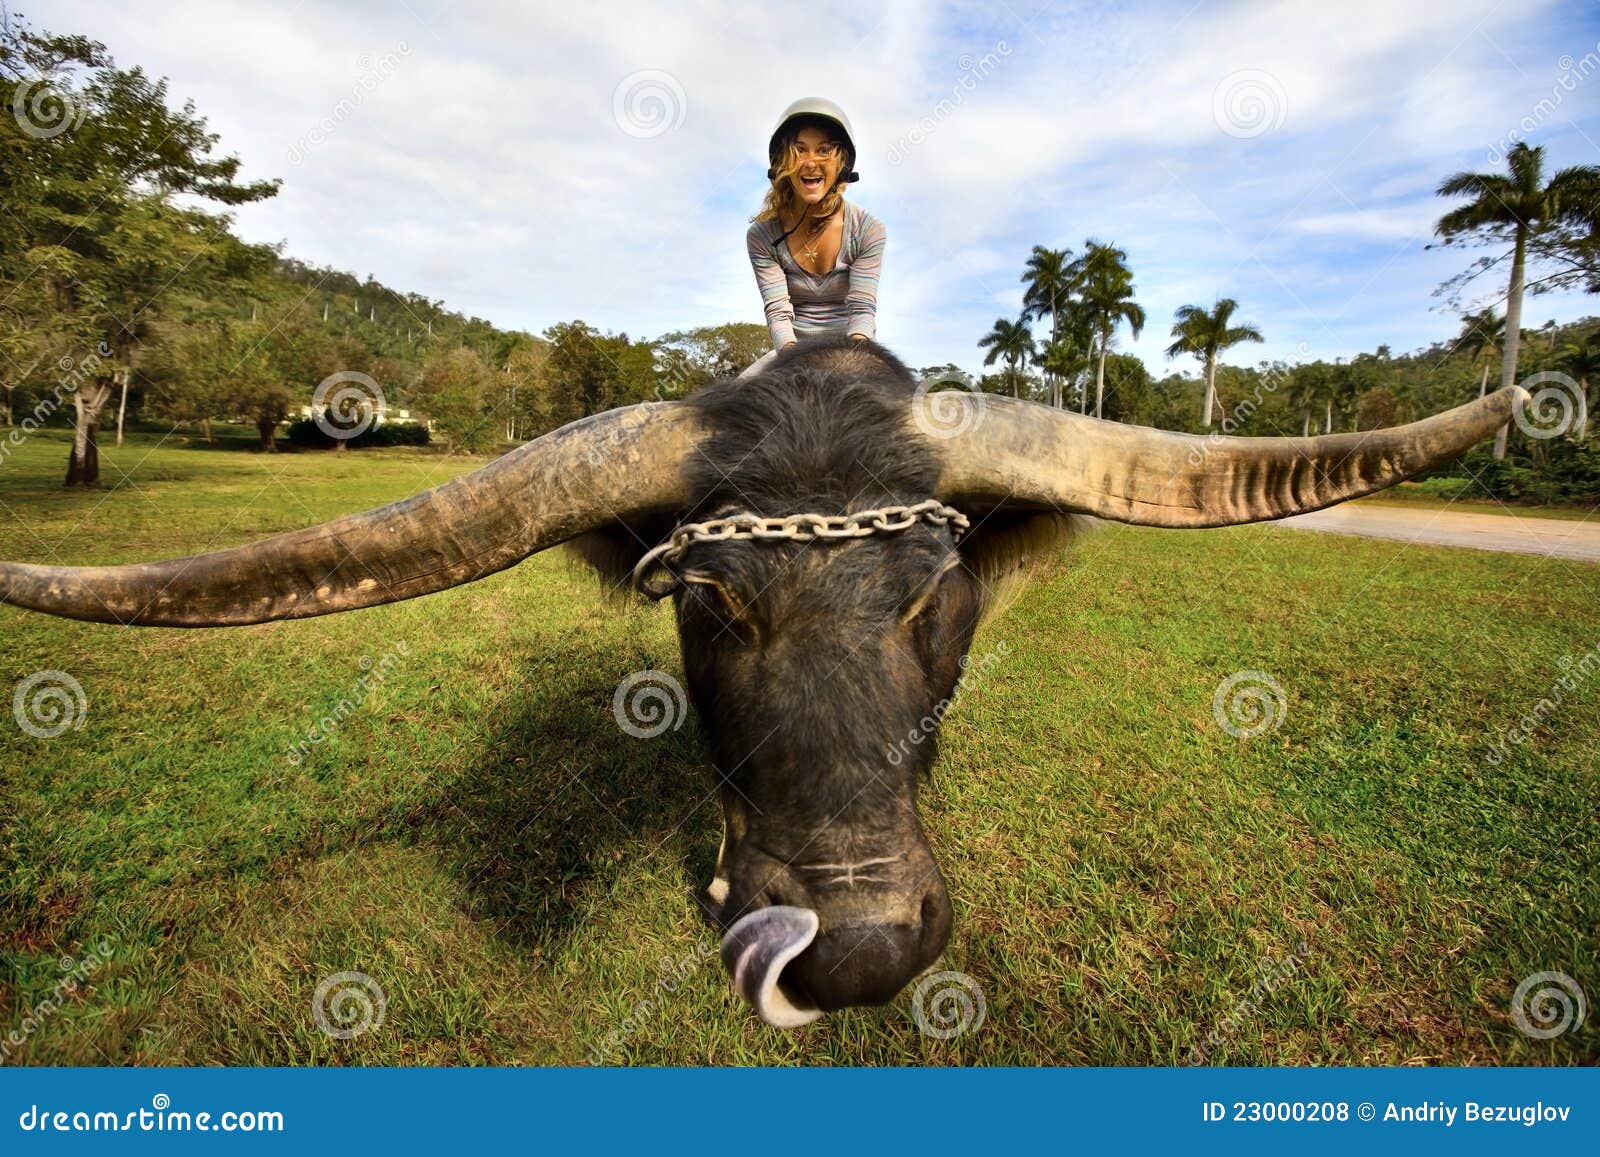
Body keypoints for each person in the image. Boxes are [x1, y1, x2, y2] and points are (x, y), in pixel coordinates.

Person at [738, 97, 886, 380]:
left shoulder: (868, 229)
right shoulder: (762, 236)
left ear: (842, 163)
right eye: (799, 150)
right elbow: (778, 314)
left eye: (824, 150)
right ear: (782, 161)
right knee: (733, 406)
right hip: (792, 353)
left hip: (854, 350)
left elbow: (862, 311)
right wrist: (798, 365)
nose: (810, 162)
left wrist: (849, 365)